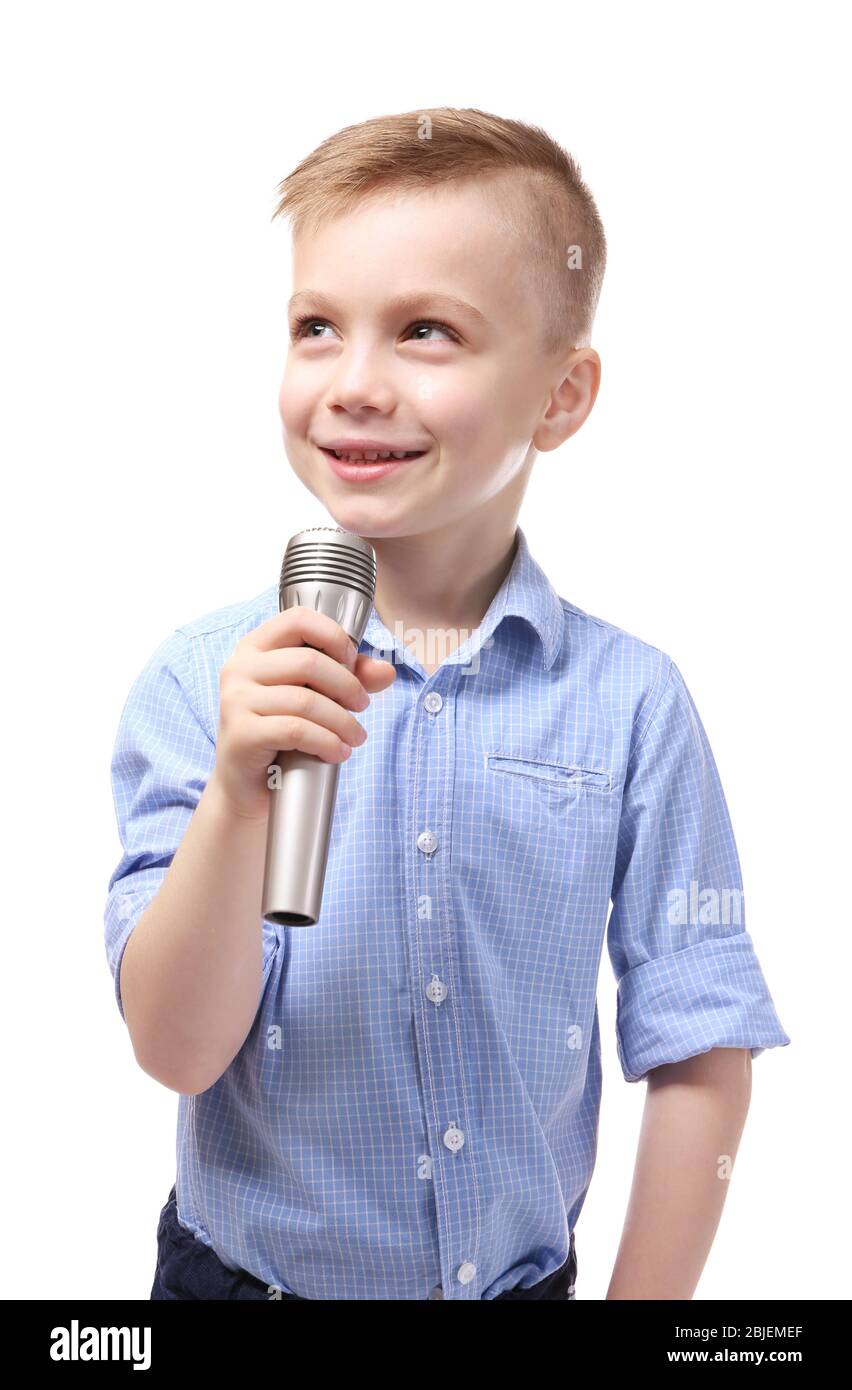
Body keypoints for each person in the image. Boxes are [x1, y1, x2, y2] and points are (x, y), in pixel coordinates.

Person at [105, 106, 790, 1301]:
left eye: (426, 331)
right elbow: (178, 1048)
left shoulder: (631, 703)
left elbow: (700, 1037)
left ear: (561, 395)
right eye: (317, 327)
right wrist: (236, 803)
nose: (354, 384)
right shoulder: (202, 681)